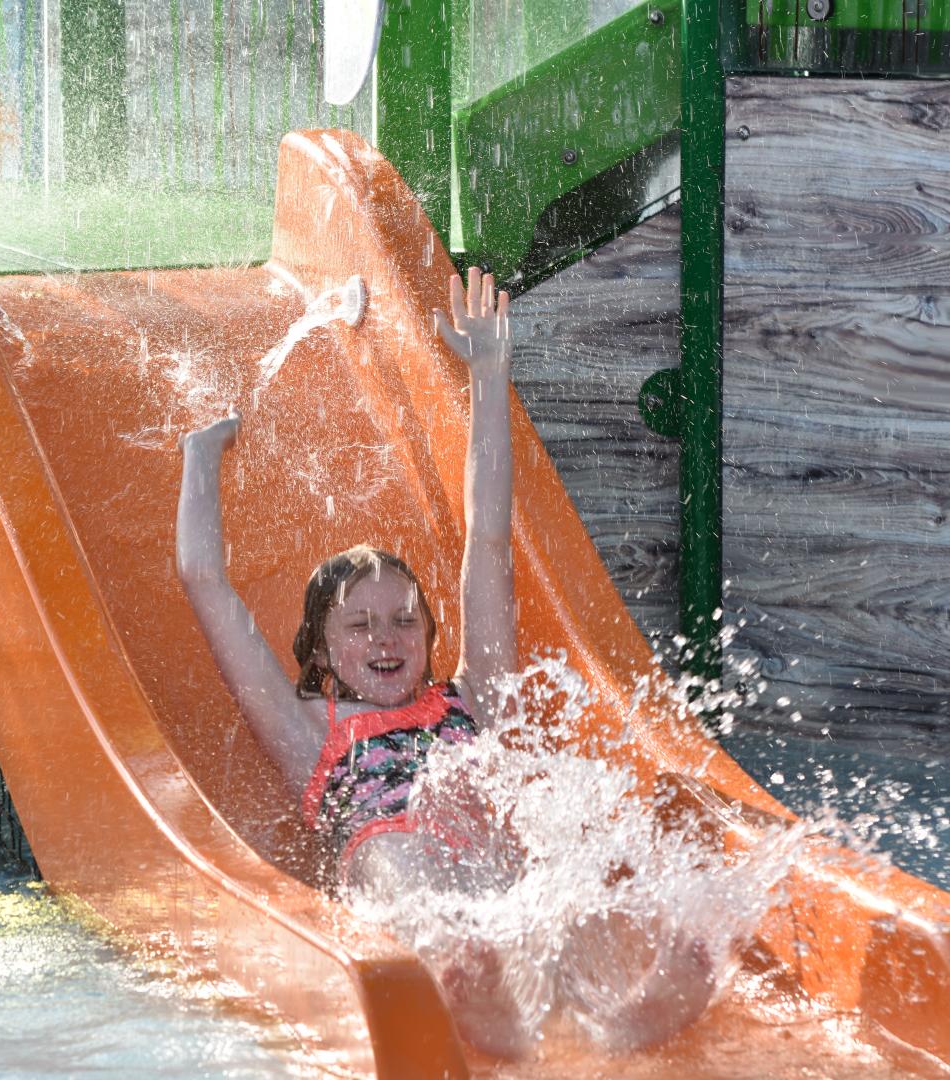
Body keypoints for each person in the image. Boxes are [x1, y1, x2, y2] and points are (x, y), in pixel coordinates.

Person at [175, 268, 712, 1057]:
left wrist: (490, 374)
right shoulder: (308, 729)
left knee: (553, 859)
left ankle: (621, 1011)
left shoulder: (473, 698)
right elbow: (205, 583)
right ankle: (470, 990)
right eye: (359, 627)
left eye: (403, 620)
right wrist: (200, 456)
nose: (386, 639)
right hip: (396, 866)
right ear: (321, 650)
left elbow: (487, 540)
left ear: (431, 632)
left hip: (494, 862)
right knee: (395, 854)